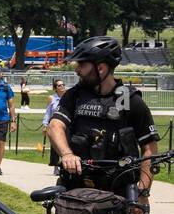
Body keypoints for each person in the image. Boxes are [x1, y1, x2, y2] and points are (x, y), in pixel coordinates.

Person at [48, 36, 159, 203]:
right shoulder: (74, 96)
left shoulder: (130, 100)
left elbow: (149, 148)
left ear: (100, 68)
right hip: (78, 188)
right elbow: (55, 126)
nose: (77, 70)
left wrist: (142, 192)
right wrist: (67, 154)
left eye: (82, 65)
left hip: (119, 190)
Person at [40, 78, 66, 163]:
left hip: (65, 125)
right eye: (59, 85)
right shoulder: (51, 98)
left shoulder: (68, 98)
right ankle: (55, 165)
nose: (62, 86)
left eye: (63, 85)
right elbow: (48, 112)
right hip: (54, 125)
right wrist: (45, 125)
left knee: (65, 145)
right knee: (55, 145)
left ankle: (64, 164)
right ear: (55, 88)